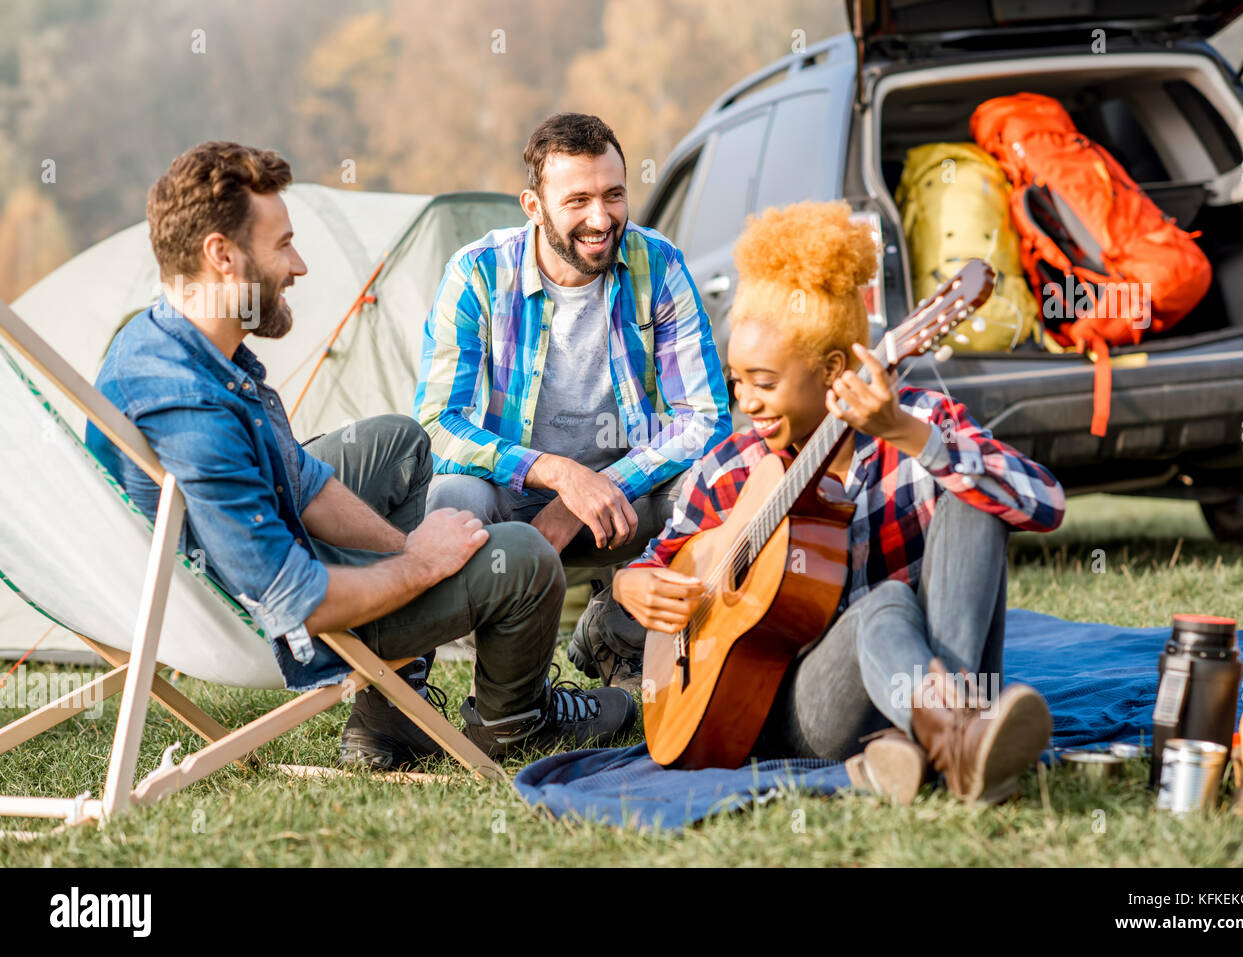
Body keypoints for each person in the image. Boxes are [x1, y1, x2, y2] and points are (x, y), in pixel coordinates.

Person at [87, 141, 636, 770]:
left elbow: (304, 479)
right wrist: (422, 568)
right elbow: (295, 601)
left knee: (400, 442)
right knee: (525, 555)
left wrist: (407, 549)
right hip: (265, 625)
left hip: (243, 556)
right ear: (222, 254)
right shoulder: (189, 409)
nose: (298, 266)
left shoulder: (173, 339)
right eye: (282, 244)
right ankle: (515, 723)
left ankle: (393, 712)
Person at [611, 201, 1067, 804]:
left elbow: (1045, 503)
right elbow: (660, 556)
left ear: (832, 369)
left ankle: (943, 738)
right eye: (737, 379)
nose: (746, 402)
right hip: (803, 708)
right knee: (884, 604)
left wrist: (910, 436)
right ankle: (952, 743)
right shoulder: (732, 468)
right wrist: (630, 585)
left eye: (765, 382)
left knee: (971, 488)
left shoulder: (921, 421)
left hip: (941, 671)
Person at [414, 113, 731, 695]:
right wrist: (555, 475)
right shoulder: (478, 274)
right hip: (507, 504)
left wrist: (588, 493)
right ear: (532, 206)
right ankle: (405, 692)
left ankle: (619, 631)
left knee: (717, 490)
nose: (601, 218)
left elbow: (706, 420)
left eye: (614, 195)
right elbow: (436, 424)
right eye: (578, 199)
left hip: (622, 504)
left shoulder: (658, 263)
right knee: (450, 496)